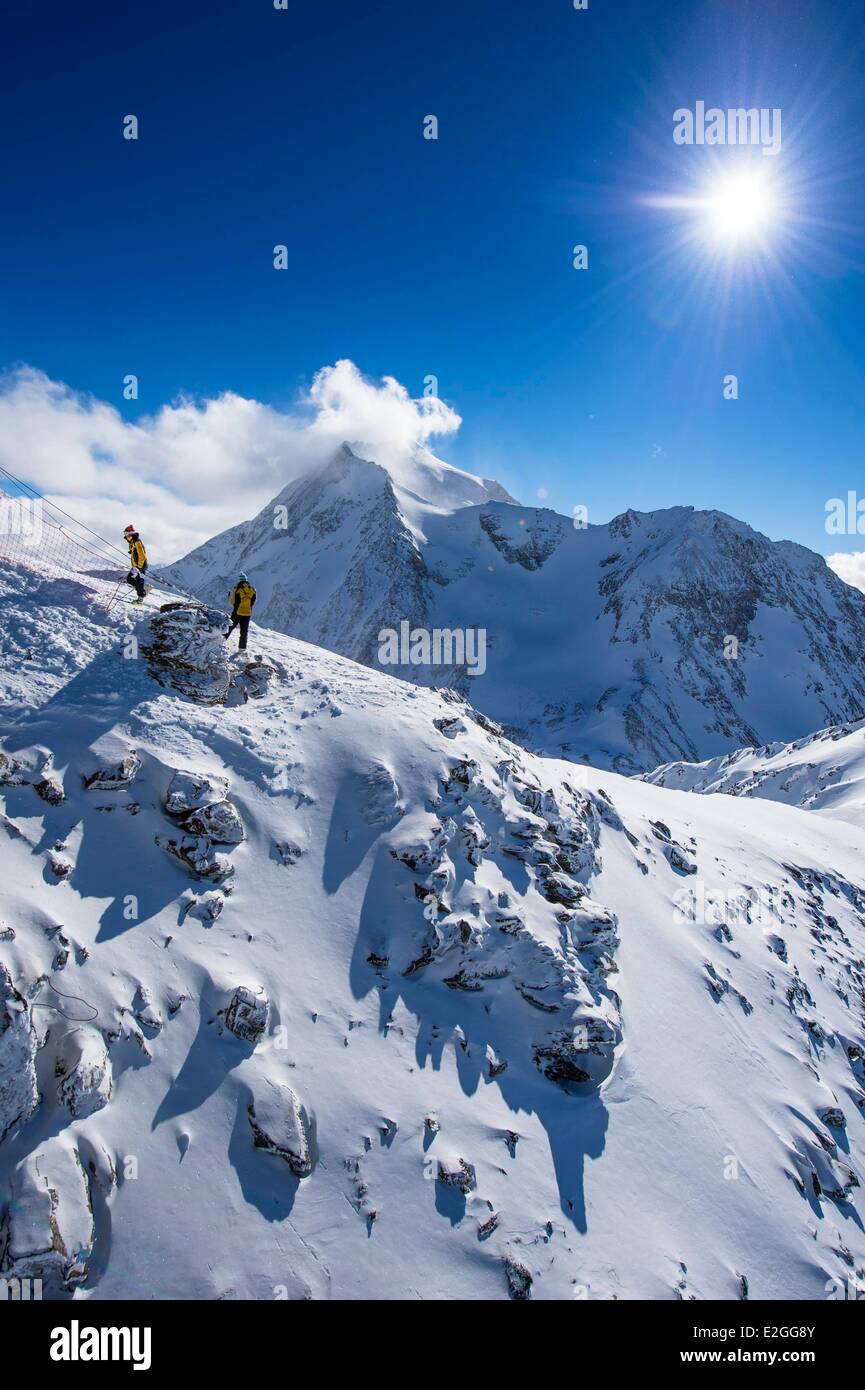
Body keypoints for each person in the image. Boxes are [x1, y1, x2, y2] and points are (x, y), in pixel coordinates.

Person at [225, 573, 257, 650]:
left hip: (237, 612)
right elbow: (254, 601)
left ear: (240, 580)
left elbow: (232, 600)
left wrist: (236, 607)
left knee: (229, 627)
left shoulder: (237, 589)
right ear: (246, 580)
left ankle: (221, 641)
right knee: (244, 631)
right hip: (247, 613)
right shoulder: (252, 589)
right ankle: (242, 648)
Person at [123, 524, 150, 603]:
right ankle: (143, 591)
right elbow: (135, 553)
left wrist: (139, 567)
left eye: (126, 533)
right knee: (130, 579)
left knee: (138, 581)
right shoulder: (132, 542)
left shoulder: (136, 541)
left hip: (140, 565)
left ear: (129, 533)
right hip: (136, 566)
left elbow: (142, 555)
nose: (125, 535)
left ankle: (140, 600)